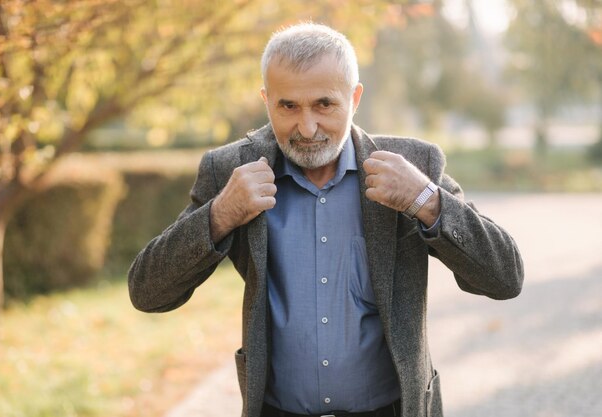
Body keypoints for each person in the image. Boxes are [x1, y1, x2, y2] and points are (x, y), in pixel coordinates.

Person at [128, 23, 524, 417]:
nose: (307, 127)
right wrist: (219, 216)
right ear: (266, 100)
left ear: (354, 98)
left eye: (324, 104)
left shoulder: (414, 166)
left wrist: (426, 201)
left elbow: (504, 277)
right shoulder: (229, 170)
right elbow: (148, 291)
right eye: (288, 106)